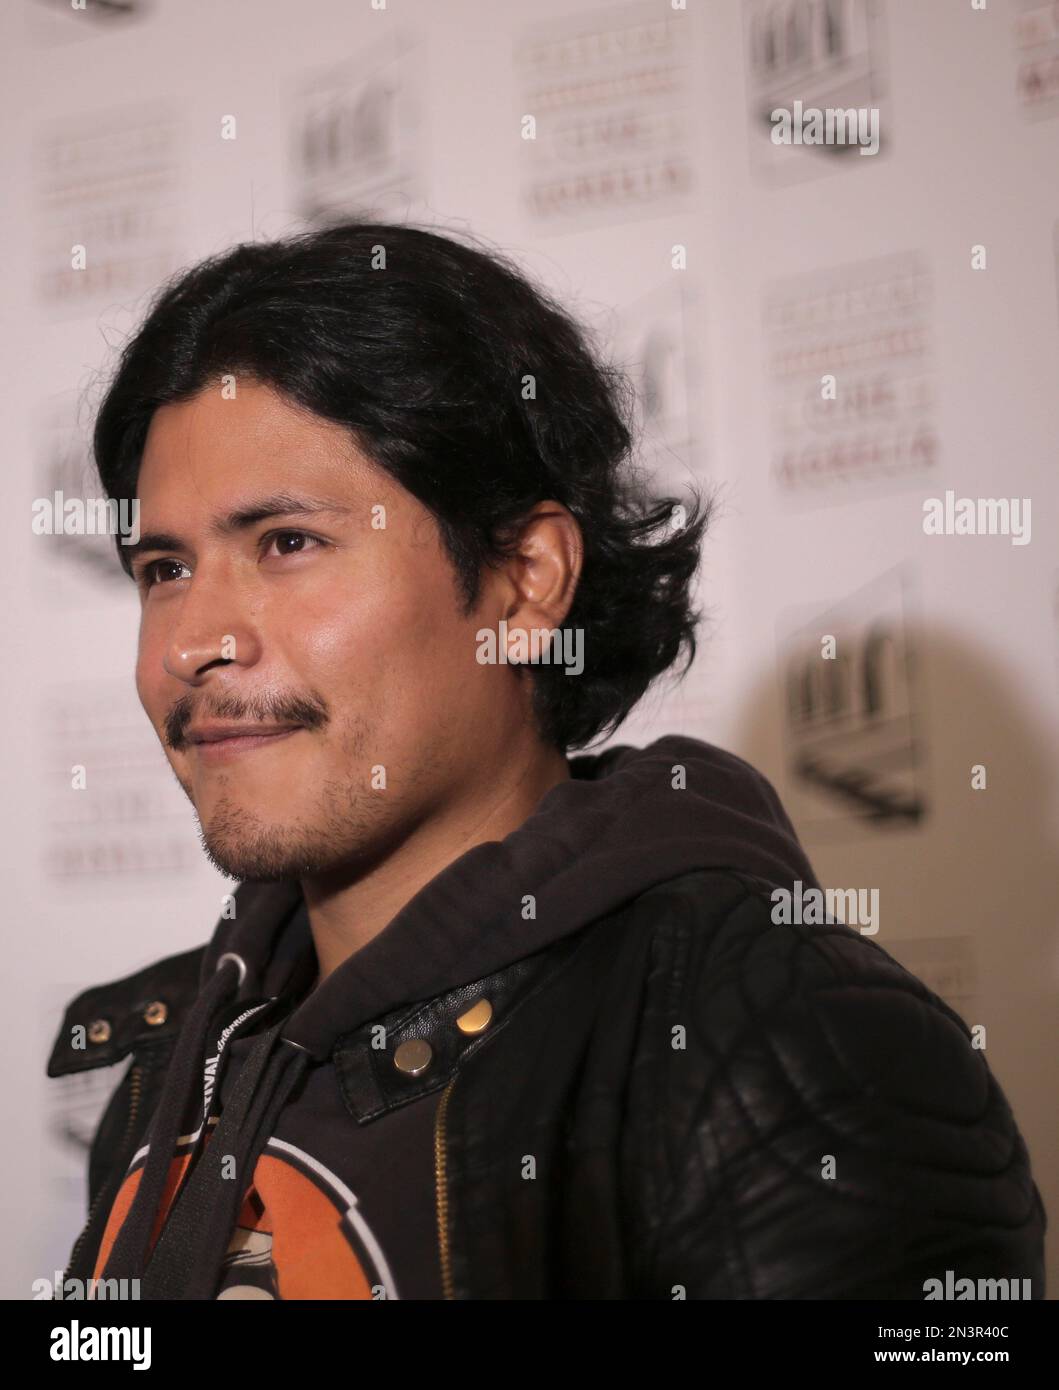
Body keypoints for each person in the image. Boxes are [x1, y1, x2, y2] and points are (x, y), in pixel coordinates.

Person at [47, 222, 1045, 1300]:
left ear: (525, 584)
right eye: (163, 567)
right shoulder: (177, 1066)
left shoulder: (789, 1047)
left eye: (287, 543)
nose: (194, 641)